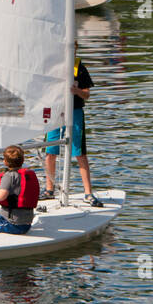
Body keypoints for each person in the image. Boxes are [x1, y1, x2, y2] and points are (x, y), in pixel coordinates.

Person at [44, 49, 103, 207]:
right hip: (55, 112)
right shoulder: (53, 66)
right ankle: (49, 190)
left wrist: (76, 91)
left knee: (79, 152)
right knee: (50, 151)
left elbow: (87, 94)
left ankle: (88, 193)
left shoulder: (80, 68)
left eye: (73, 49)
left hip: (75, 112)